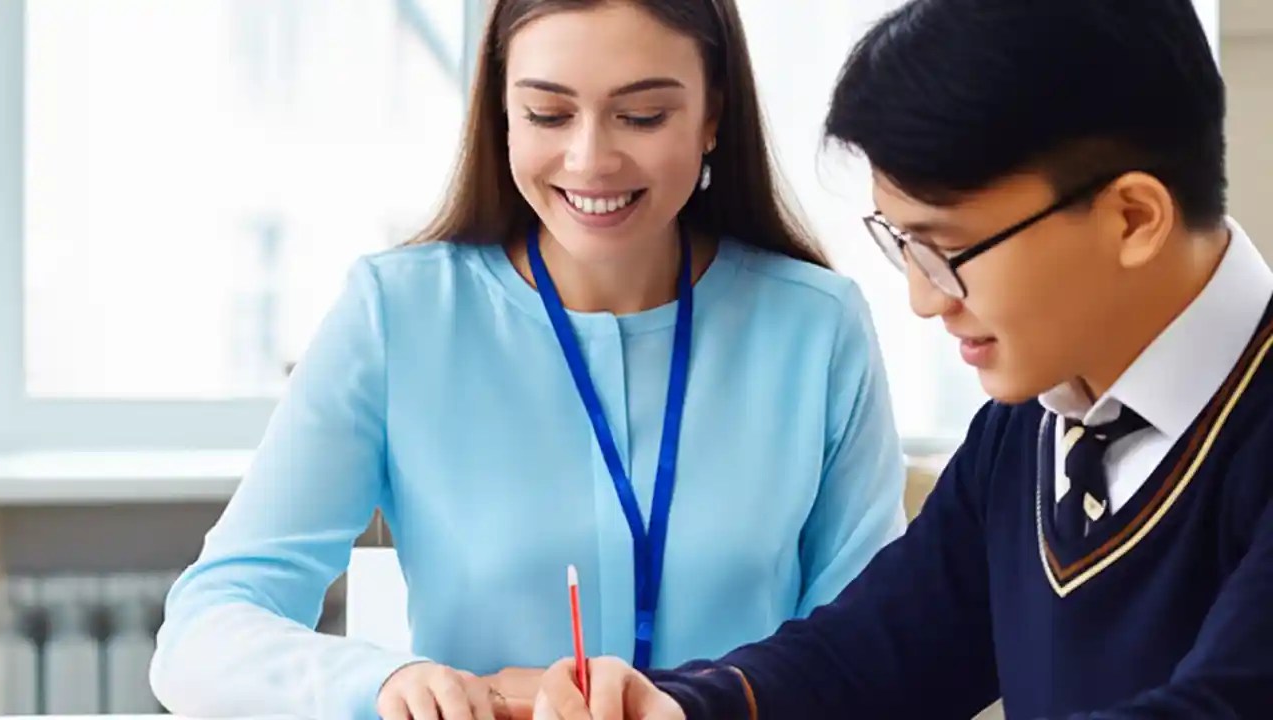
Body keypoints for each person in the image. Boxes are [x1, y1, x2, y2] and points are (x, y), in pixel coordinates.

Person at [148, 1, 909, 719]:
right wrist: (389, 683)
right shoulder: (398, 314)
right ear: (502, 116)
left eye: (642, 116)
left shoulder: (817, 327)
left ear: (713, 116)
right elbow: (202, 633)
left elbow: (874, 656)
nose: (590, 159)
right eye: (547, 114)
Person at [534, 0, 1273, 717]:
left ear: (1132, 219)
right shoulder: (1035, 420)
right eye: (903, 244)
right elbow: (869, 658)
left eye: (948, 250)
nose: (925, 298)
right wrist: (682, 705)